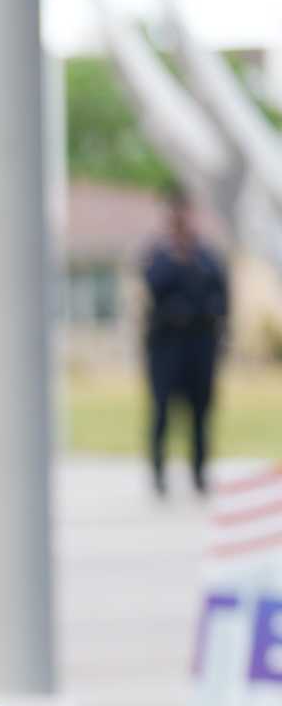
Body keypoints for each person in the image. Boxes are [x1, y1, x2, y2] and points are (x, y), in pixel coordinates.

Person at [141, 187, 229, 497]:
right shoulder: (158, 254)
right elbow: (153, 284)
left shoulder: (206, 256)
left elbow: (221, 295)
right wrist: (178, 257)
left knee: (200, 414)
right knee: (162, 411)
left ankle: (199, 472)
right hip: (166, 346)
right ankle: (159, 472)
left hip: (199, 345)